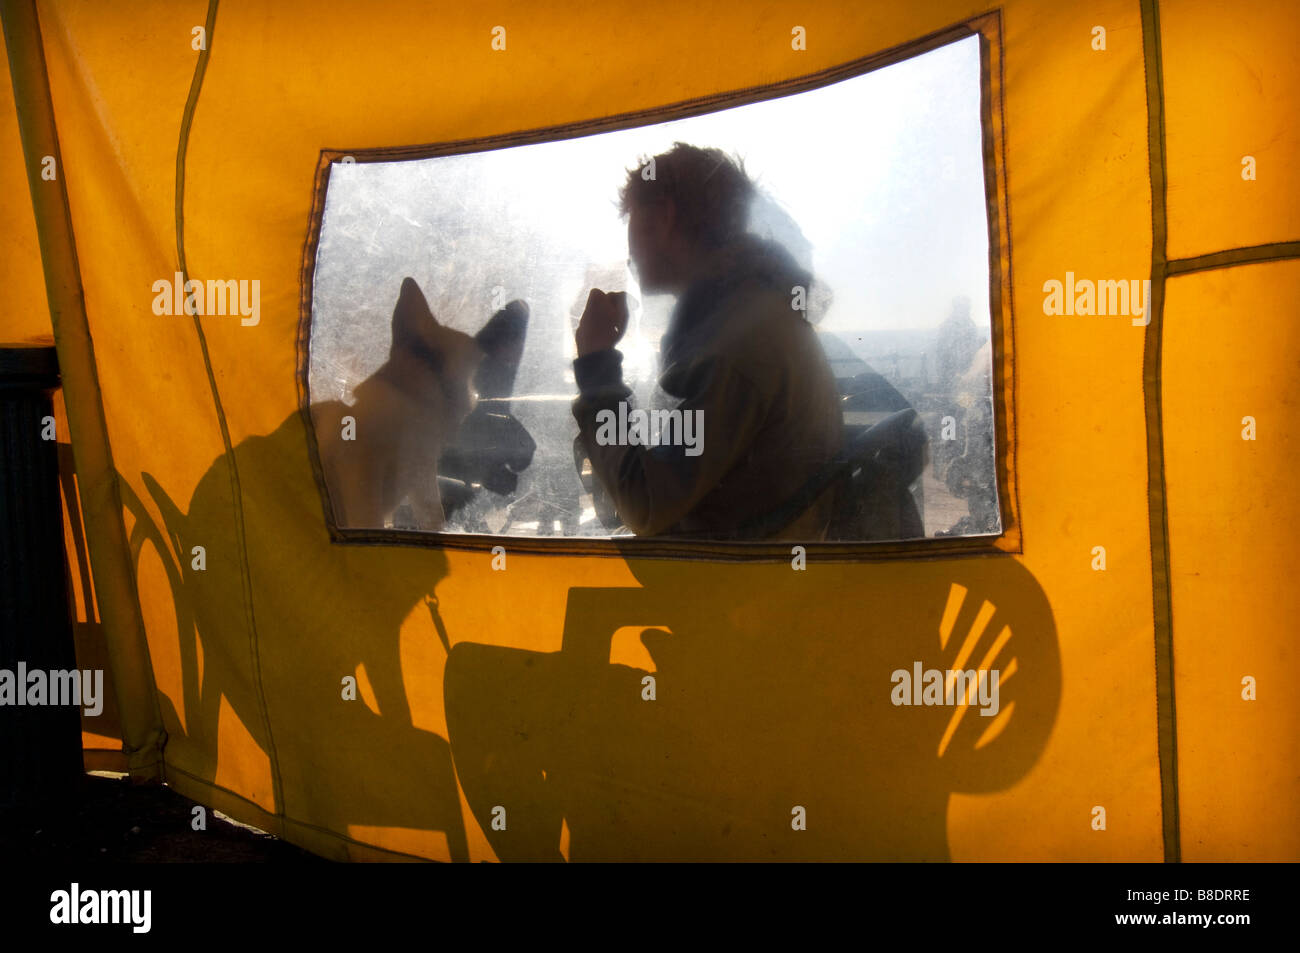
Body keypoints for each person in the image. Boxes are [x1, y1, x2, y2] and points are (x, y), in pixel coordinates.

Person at [572, 142, 843, 540]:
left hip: (729, 589)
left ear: (662, 217)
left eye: (631, 219)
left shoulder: (736, 347)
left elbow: (644, 506)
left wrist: (596, 366)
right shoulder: (758, 315)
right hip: (760, 575)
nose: (628, 250)